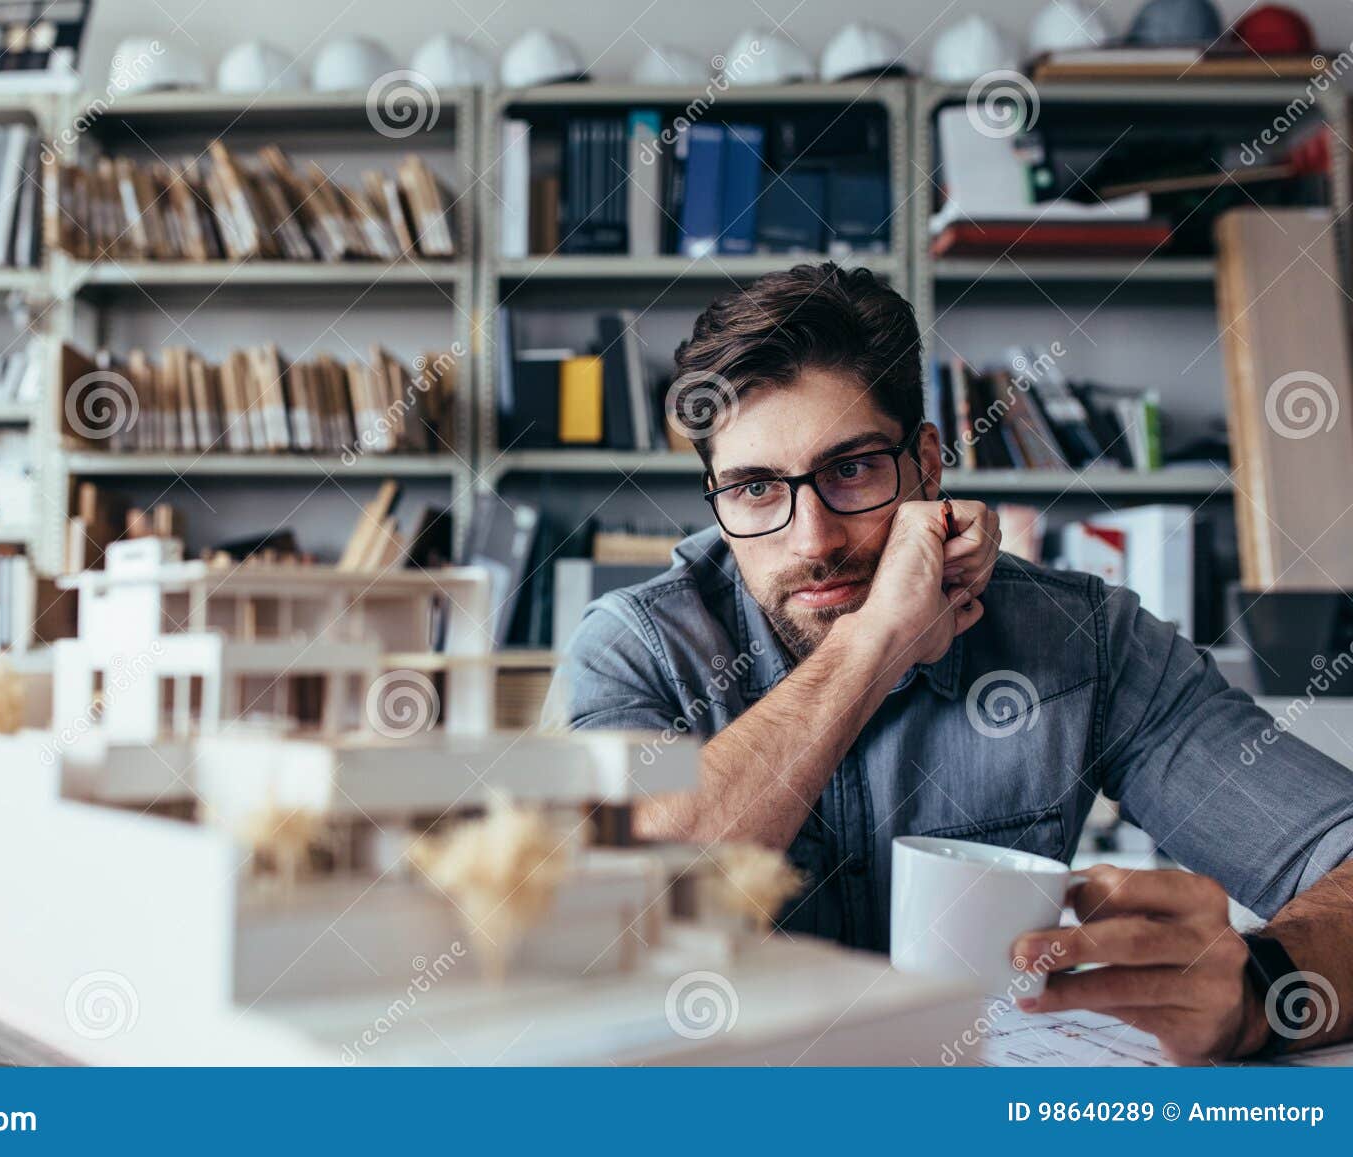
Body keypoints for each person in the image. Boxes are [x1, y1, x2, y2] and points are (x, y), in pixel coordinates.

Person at [559, 263, 1353, 1063]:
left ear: (928, 465)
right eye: (757, 488)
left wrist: (1260, 992)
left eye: (852, 469)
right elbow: (608, 918)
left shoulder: (1086, 640)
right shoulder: (639, 649)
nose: (814, 540)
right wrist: (876, 642)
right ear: (715, 500)